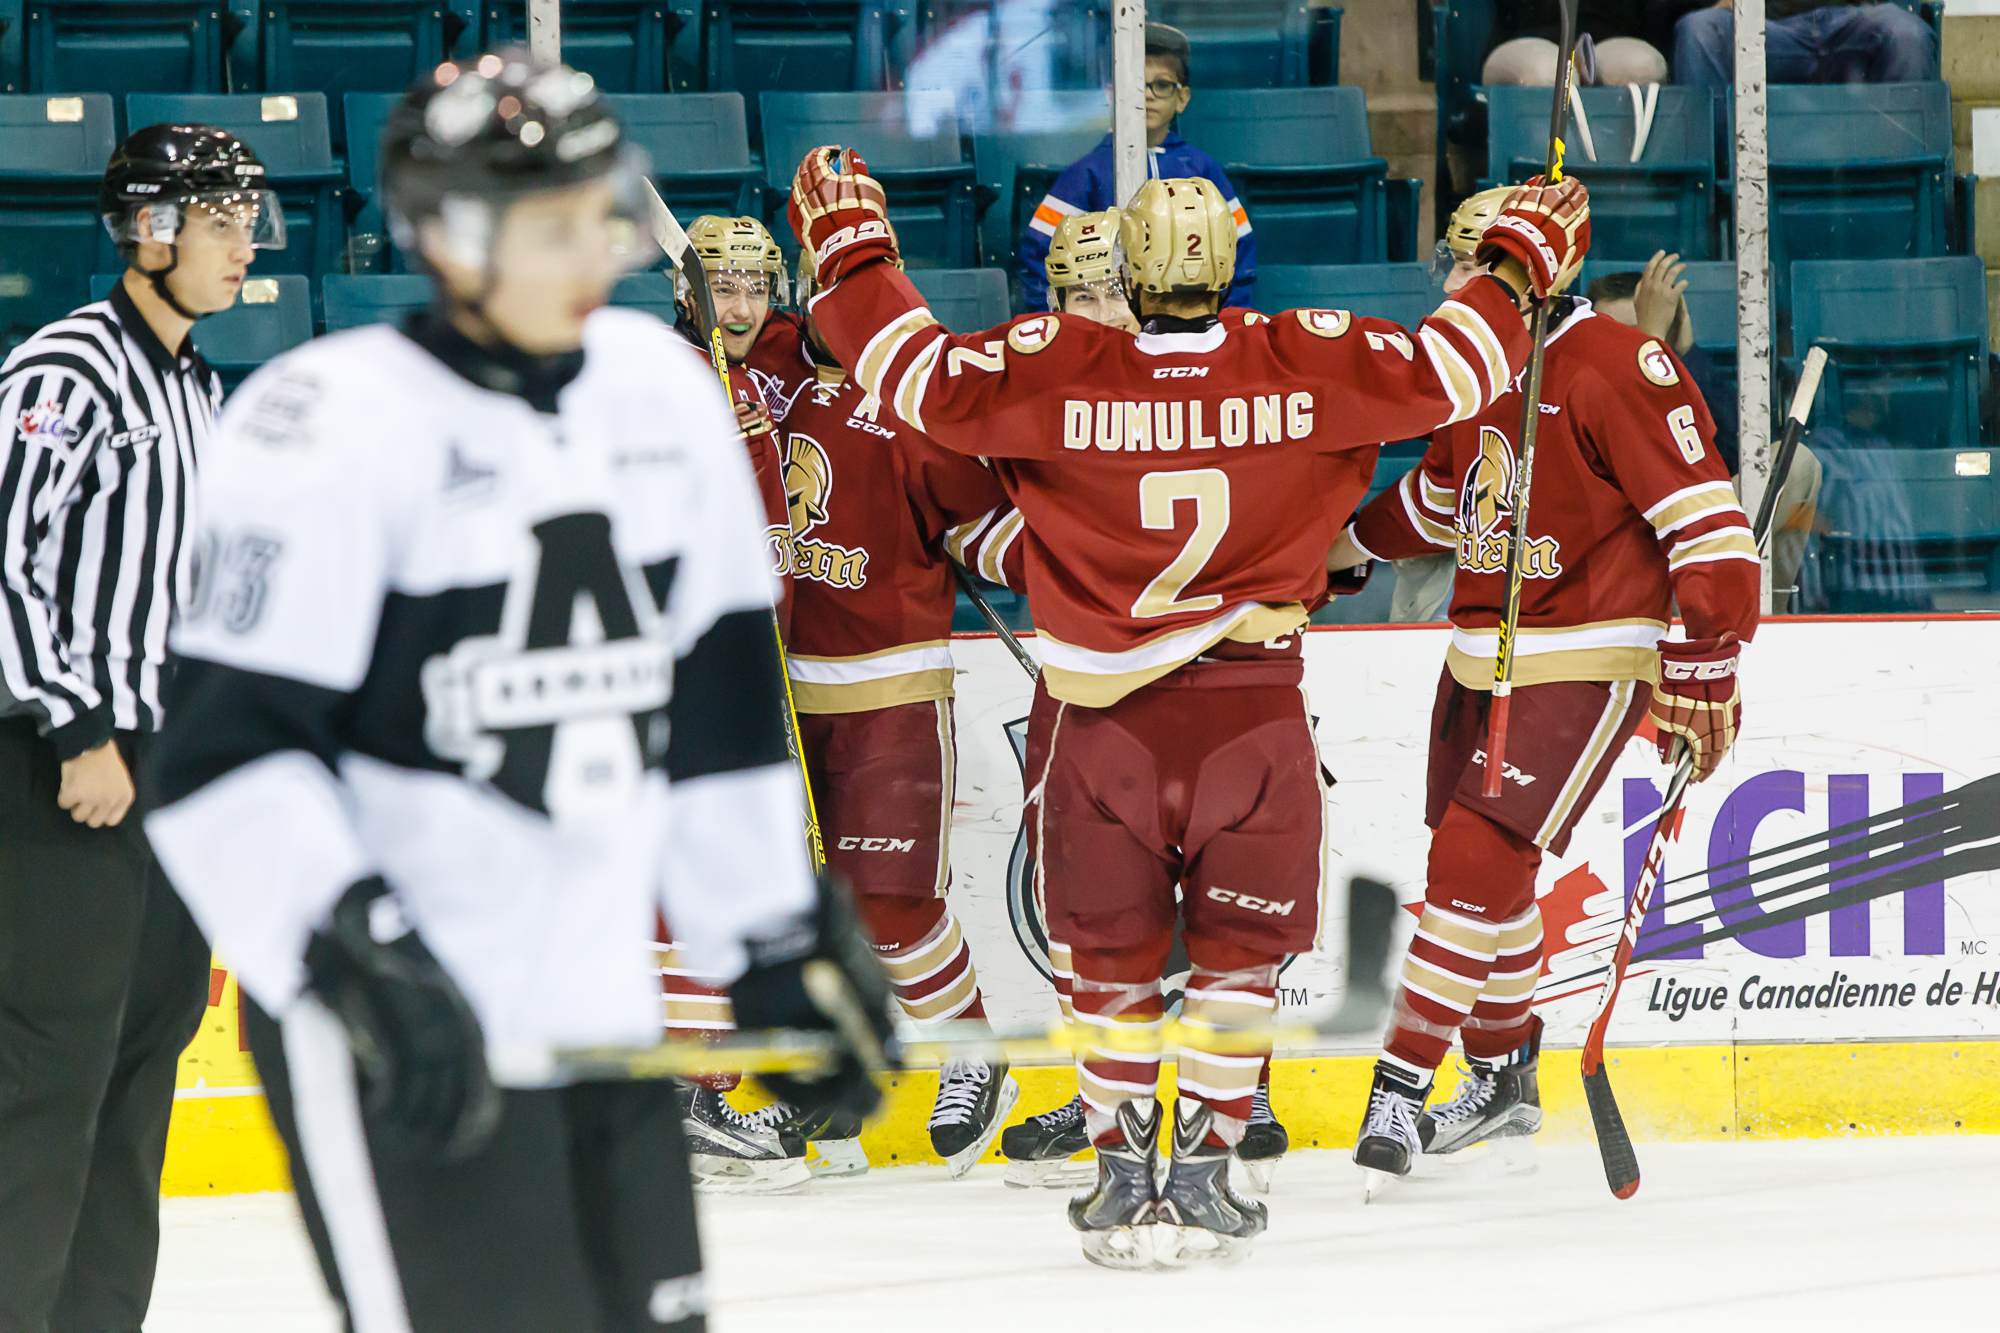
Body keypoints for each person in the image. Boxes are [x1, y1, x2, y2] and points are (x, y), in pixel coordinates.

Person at [142, 54, 891, 1332]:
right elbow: (218, 758)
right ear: (445, 234)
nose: (589, 253)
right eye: (548, 227)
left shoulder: (660, 396)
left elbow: (715, 718)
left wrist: (773, 937)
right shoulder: (322, 424)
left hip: (600, 1007)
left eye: (596, 213)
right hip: (400, 1020)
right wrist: (355, 950)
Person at [789, 143, 1588, 1265]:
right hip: (1250, 719)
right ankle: (1208, 1172)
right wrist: (1516, 261)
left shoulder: (1056, 365)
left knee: (1107, 964)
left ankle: (1122, 1174)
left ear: (1126, 261)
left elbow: (906, 369)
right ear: (1232, 262)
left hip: (1101, 726)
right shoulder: (1306, 356)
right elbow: (1460, 368)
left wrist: (851, 245)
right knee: (1234, 964)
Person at [1327, 218, 1760, 1193]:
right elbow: (1443, 503)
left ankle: (1398, 1082)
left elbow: (1707, 524)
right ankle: (1501, 1074)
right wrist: (1344, 544)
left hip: (1580, 653)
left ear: (1522, 267)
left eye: (1466, 257)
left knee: (1468, 863)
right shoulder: (1472, 365)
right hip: (1479, 654)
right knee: (1490, 878)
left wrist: (1705, 659)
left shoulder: (1618, 365)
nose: (1448, 272)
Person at [0, 122, 273, 1332]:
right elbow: (4, 567)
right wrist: (73, 731)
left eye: (247, 220)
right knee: (48, 1083)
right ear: (148, 229)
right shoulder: (66, 374)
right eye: (219, 219)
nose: (243, 244)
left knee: (138, 1079)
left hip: (162, 784)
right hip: (62, 778)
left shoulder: (195, 387)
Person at [990, 207, 1290, 1193]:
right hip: (1091, 685)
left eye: (1106, 291)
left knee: (1226, 904)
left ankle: (1228, 1091)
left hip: (1214, 685)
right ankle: (1107, 1100)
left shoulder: (1205, 385)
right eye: (1075, 295)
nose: (1097, 310)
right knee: (1092, 912)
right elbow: (969, 528)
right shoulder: (1042, 389)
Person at [748, 252, 1021, 1179]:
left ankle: (973, 1058)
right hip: (779, 691)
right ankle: (834, 1086)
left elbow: (987, 533)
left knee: (896, 901)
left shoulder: (913, 410)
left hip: (889, 689)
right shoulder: (767, 374)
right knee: (793, 912)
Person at [662, 214, 823, 1192]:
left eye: (755, 288)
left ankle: (699, 1084)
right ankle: (685, 1092)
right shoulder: (656, 378)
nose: (739, 306)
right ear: (688, 293)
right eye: (720, 287)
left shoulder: (752, 385)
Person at [1588, 256, 1821, 612]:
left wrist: (1684, 354)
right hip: (1618, 581)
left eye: (1638, 331)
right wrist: (1648, 345)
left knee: (1797, 462)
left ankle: (1762, 619)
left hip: (1694, 555)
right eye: (1613, 333)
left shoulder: (1683, 375)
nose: (1630, 345)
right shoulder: (1575, 388)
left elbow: (1743, 450)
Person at [1016, 23, 1256, 313]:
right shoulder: (1086, 173)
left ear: (1182, 98)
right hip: (1111, 328)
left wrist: (1228, 321)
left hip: (1190, 330)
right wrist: (1058, 329)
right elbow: (1040, 255)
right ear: (1111, 94)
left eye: (1163, 84)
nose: (1149, 94)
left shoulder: (1202, 171)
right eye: (1135, 84)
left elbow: (1238, 253)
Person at [1672, 1, 1938, 95]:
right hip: (1766, 29)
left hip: (1853, 22)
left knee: (1906, 35)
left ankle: (1905, 193)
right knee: (1699, 29)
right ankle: (1716, 198)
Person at [1482, 0, 1668, 88]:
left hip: (1607, 39)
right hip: (1529, 37)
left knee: (1644, 68)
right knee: (1549, 75)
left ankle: (1623, 163)